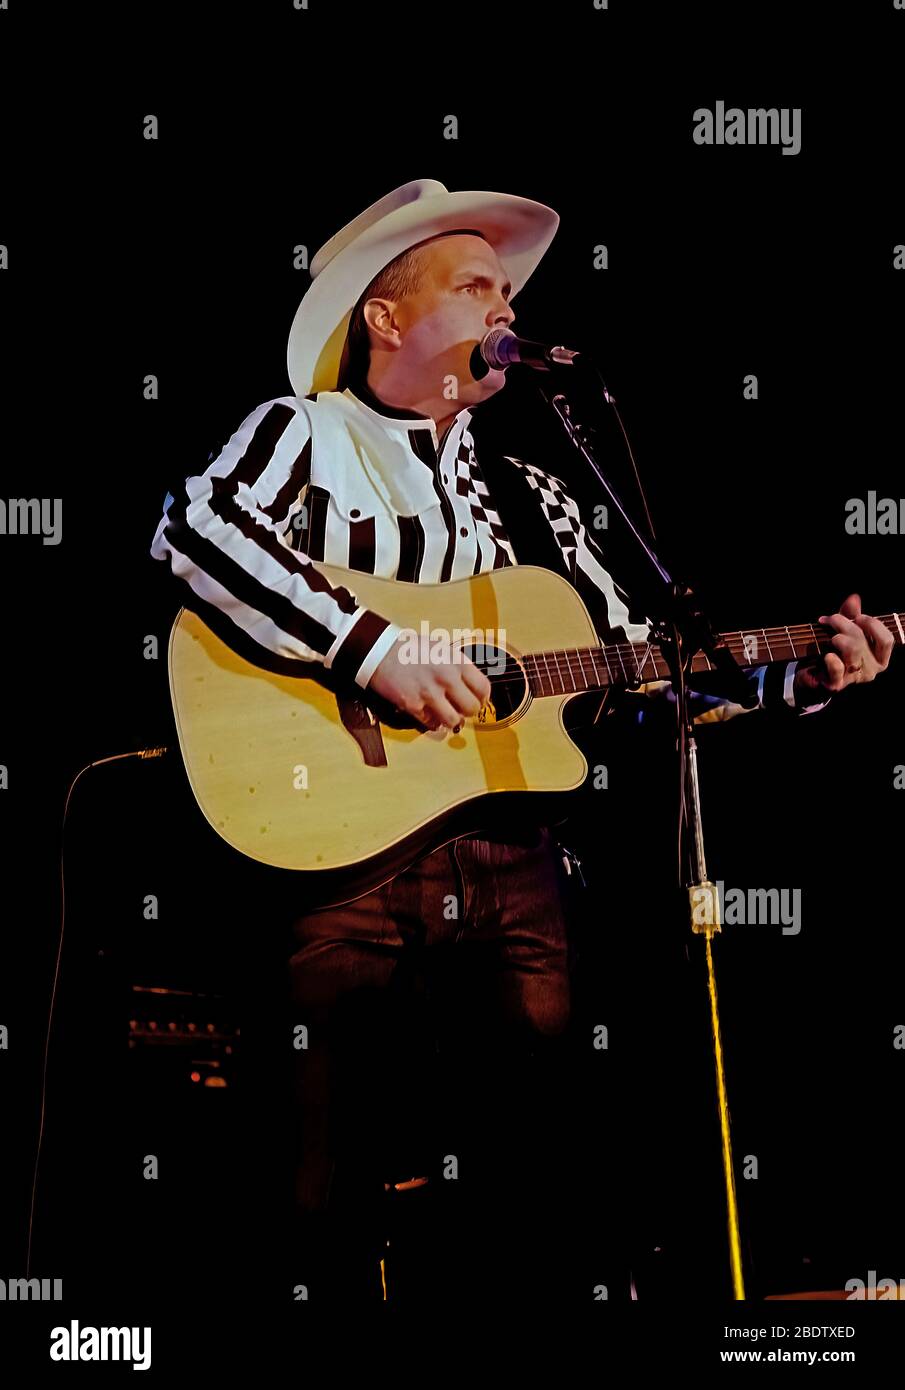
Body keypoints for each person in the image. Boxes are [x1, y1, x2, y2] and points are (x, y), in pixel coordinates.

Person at [150, 179, 893, 1303]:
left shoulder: (533, 489)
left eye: (505, 286)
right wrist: (373, 649)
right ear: (387, 319)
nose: (504, 304)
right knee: (313, 1181)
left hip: (510, 867)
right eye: (472, 284)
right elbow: (193, 527)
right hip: (339, 856)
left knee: (539, 1180)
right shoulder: (305, 433)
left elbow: (635, 676)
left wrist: (796, 677)